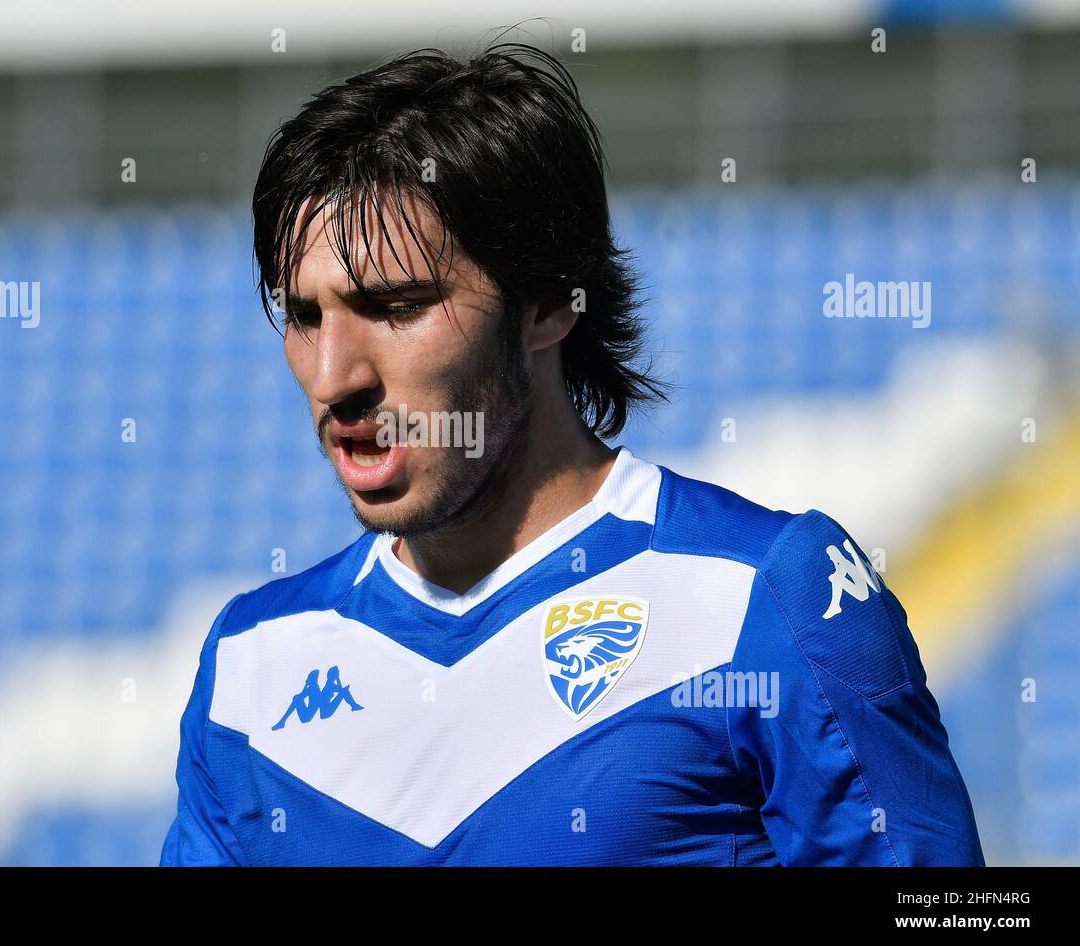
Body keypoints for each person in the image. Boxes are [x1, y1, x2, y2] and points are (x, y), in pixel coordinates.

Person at [161, 41, 984, 866]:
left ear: (549, 304)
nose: (335, 377)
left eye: (398, 305)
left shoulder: (764, 596)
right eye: (304, 316)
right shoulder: (250, 672)